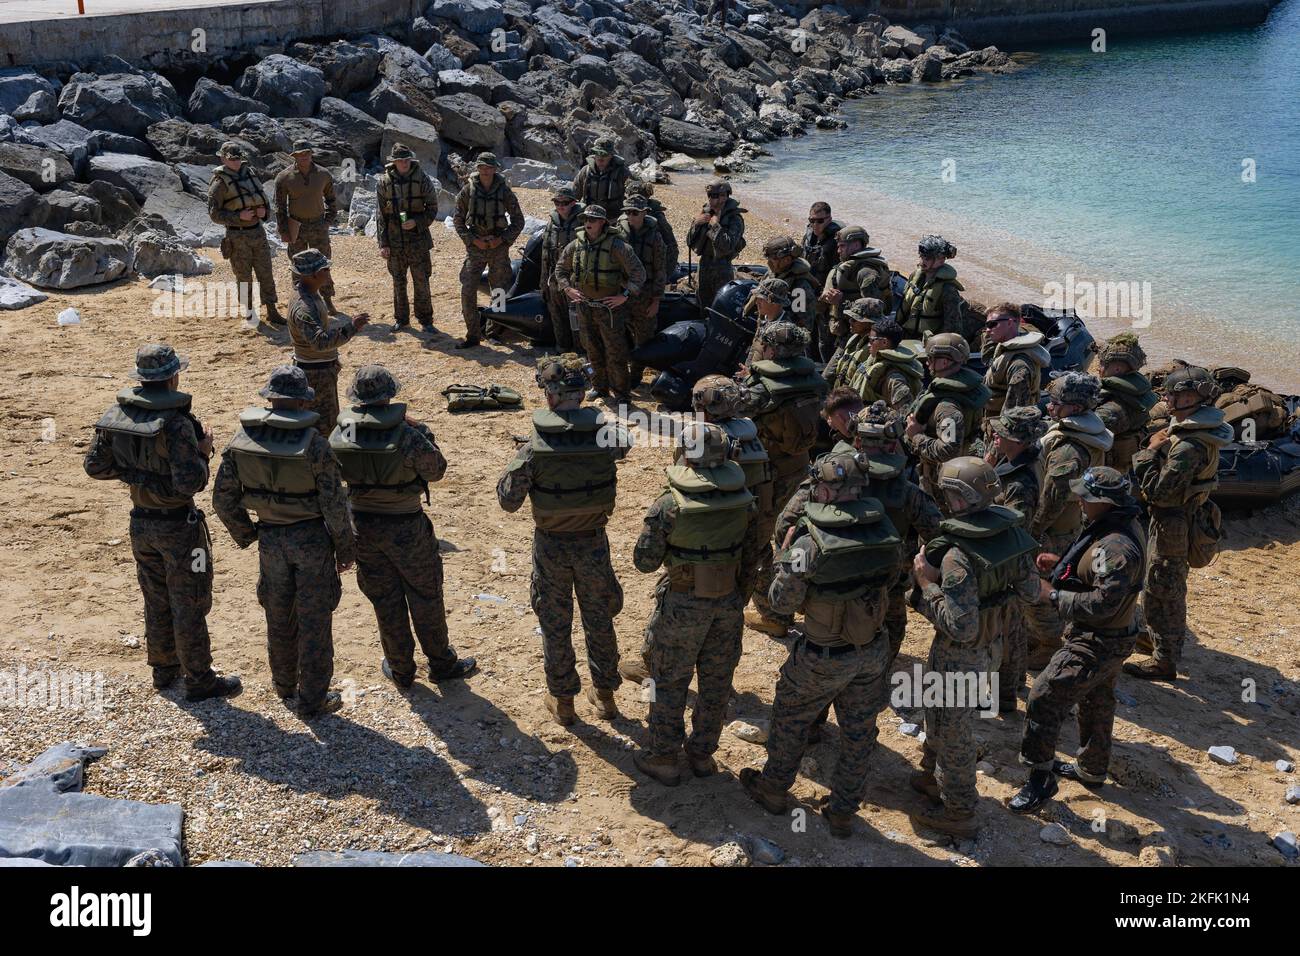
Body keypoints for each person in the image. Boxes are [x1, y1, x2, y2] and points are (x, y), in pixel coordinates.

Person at [739, 450, 903, 837]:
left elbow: (781, 603)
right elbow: (894, 580)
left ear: (826, 491)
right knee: (859, 732)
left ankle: (773, 789)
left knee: (791, 720)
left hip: (822, 656)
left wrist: (784, 556)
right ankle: (843, 811)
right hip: (872, 650)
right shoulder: (885, 531)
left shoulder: (809, 543)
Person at [84, 345, 241, 701]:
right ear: (173, 377)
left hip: (141, 525)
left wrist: (137, 476)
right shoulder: (177, 423)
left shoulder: (118, 415)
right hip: (180, 529)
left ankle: (164, 670)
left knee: (155, 598)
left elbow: (95, 466)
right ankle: (199, 679)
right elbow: (190, 483)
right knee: (190, 600)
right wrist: (203, 453)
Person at [212, 366, 356, 718]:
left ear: (270, 399)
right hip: (311, 540)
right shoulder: (316, 445)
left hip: (271, 539)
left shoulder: (243, 441)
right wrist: (345, 548)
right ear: (303, 401)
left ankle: (284, 684)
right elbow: (335, 506)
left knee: (278, 613)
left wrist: (248, 533)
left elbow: (222, 500)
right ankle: (313, 699)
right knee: (315, 619)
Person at [496, 354, 631, 725]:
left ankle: (563, 702)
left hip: (551, 545)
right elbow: (624, 443)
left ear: (551, 395)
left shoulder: (533, 449)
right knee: (599, 618)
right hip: (593, 542)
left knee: (555, 622)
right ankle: (605, 697)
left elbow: (508, 500)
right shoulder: (607, 438)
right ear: (582, 393)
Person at [908, 457, 1040, 837]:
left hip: (959, 654)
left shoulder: (956, 556)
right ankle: (931, 776)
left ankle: (960, 811)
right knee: (939, 711)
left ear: (958, 498)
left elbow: (960, 626)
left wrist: (926, 584)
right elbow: (1032, 592)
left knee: (955, 733)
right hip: (992, 647)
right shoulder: (1012, 537)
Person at [329, 365, 477, 690]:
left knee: (385, 599)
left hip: (363, 527)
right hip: (407, 527)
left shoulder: (343, 433)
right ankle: (441, 664)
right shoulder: (408, 434)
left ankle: (400, 668)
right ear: (389, 395)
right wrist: (422, 430)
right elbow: (436, 469)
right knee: (425, 595)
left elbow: (332, 476)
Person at [1009, 467, 1147, 812]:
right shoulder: (1117, 526)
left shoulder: (1115, 546)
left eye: (1086, 497)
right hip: (1114, 634)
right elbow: (1103, 576)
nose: (1079, 502)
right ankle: (1092, 768)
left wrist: (1053, 596)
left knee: (1044, 696)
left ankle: (1040, 780)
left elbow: (1102, 603)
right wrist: (1063, 565)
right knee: (1097, 699)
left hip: (1098, 640)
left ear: (1104, 502)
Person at [631, 421, 762, 786]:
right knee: (716, 682)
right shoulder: (746, 502)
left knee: (669, 679)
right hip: (728, 602)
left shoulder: (669, 504)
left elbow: (644, 561)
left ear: (685, 456)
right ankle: (702, 754)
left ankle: (663, 757)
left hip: (682, 604)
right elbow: (753, 557)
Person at [1124, 366, 1232, 681]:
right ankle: (1157, 640)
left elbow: (1160, 492)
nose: (1166, 399)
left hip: (1174, 523)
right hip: (1184, 515)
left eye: (1172, 394)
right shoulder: (1198, 431)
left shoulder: (1188, 446)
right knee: (1162, 584)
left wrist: (1147, 454)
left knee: (1162, 588)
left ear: (1189, 398)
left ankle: (1164, 661)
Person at [738, 321, 829, 636]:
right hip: (801, 468)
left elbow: (736, 408)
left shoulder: (761, 388)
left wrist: (742, 384)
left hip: (768, 473)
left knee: (759, 541)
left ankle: (773, 615)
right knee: (792, 533)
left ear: (772, 350)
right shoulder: (814, 381)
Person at [1026, 373, 1112, 667]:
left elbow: (1053, 497)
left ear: (1074, 408)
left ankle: (1048, 644)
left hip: (1055, 528)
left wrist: (1032, 531)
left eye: (1055, 403)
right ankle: (1039, 636)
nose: (1049, 407)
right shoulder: (1088, 433)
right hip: (1071, 522)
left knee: (1038, 586)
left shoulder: (1069, 449)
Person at [985, 406, 1049, 712]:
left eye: (1003, 433)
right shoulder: (1021, 461)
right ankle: (1013, 683)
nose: (996, 436)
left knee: (1006, 631)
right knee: (1015, 627)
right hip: (1015, 559)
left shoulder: (1020, 484)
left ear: (1020, 440)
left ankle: (1004, 696)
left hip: (1009, 563)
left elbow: (1014, 528)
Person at [554, 204, 647, 407]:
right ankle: (599, 387)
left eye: (593, 220)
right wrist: (568, 289)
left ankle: (622, 394)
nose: (588, 223)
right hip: (584, 306)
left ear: (603, 223)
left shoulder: (617, 246)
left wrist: (624, 295)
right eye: (585, 219)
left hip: (609, 309)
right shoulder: (576, 245)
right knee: (591, 349)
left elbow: (639, 273)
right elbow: (560, 269)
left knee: (615, 352)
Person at [285, 249, 369, 438]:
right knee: (325, 428)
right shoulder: (304, 307)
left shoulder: (308, 292)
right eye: (325, 269)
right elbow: (320, 342)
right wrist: (351, 328)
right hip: (316, 374)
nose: (329, 272)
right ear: (312, 275)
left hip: (319, 369)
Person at [904, 332, 990, 502]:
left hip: (943, 482)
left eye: (930, 358)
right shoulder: (968, 389)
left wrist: (916, 436)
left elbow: (947, 451)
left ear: (945, 362)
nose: (927, 363)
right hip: (964, 468)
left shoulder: (947, 407)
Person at [453, 151, 524, 349]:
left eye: (489, 167)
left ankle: (494, 332)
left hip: (498, 248)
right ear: (477, 168)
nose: (485, 171)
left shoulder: (504, 191)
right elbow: (458, 220)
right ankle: (473, 334)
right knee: (468, 289)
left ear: (494, 169)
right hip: (475, 248)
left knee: (499, 291)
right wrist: (472, 240)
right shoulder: (467, 191)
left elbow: (518, 220)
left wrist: (502, 240)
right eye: (482, 167)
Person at [208, 141, 280, 330]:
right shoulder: (219, 183)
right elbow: (214, 215)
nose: (236, 162)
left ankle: (272, 310)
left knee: (266, 272)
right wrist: (238, 217)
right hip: (236, 236)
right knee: (243, 276)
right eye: (231, 159)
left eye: (238, 159)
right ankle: (249, 312)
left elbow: (264, 201)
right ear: (223, 159)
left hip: (258, 232)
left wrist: (265, 213)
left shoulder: (250, 174)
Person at [376, 143, 437, 333]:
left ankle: (426, 321)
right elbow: (381, 216)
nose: (404, 163)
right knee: (398, 282)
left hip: (418, 240)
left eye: (407, 160)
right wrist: (383, 243)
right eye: (400, 160)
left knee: (422, 281)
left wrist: (417, 222)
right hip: (395, 242)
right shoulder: (384, 182)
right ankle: (401, 320)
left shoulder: (422, 179)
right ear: (394, 162)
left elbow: (432, 208)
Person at [274, 140, 338, 313]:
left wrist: (327, 221)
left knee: (323, 264)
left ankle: (327, 300)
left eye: (306, 153)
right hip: (297, 226)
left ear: (311, 153)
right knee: (298, 265)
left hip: (318, 225)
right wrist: (284, 231)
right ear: (294, 156)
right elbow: (280, 207)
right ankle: (300, 302)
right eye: (299, 154)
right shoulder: (284, 177)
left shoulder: (323, 174)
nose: (303, 157)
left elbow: (332, 200)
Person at [614, 195, 667, 387]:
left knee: (644, 337)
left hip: (645, 294)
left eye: (635, 212)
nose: (631, 216)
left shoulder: (655, 237)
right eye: (627, 212)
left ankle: (636, 375)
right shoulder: (618, 233)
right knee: (618, 335)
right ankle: (620, 374)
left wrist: (656, 300)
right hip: (622, 292)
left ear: (644, 213)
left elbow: (660, 269)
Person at [817, 226, 891, 363]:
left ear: (856, 245)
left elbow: (873, 311)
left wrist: (840, 301)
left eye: (842, 246)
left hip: (854, 335)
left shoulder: (866, 272)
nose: (838, 250)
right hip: (839, 328)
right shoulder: (849, 265)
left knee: (832, 372)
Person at [1094, 333, 1157, 473]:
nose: (1098, 368)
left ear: (1117, 369)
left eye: (1102, 364)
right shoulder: (1136, 390)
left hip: (1110, 471)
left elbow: (1090, 429)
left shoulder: (1114, 408)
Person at [981, 302, 1050, 425]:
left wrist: (1002, 431)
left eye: (992, 324)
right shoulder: (1005, 350)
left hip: (1002, 428)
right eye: (987, 325)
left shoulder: (1019, 364)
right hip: (992, 420)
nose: (988, 330)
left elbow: (1016, 413)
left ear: (1009, 323)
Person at [686, 178, 745, 316]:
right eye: (710, 196)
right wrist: (696, 224)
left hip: (722, 267)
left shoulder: (735, 218)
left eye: (715, 196)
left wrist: (715, 226)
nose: (711, 200)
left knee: (721, 307)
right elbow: (689, 242)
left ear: (724, 196)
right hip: (704, 264)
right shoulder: (706, 213)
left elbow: (728, 246)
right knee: (703, 304)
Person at [539, 185, 585, 352]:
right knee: (557, 316)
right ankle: (562, 350)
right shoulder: (552, 223)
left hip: (575, 280)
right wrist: (543, 282)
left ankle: (580, 352)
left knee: (577, 318)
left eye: (564, 203)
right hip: (554, 278)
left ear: (573, 202)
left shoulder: (583, 221)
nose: (560, 206)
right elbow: (545, 254)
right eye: (557, 203)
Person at [896, 235, 963, 339]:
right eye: (921, 256)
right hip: (905, 332)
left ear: (941, 260)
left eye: (927, 258)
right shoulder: (915, 276)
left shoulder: (948, 289)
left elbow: (953, 327)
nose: (923, 260)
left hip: (928, 340)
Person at [749, 235, 816, 332]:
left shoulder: (799, 287)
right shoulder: (773, 274)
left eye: (773, 260)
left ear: (787, 260)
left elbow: (803, 325)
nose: (769, 263)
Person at [625, 180, 678, 284]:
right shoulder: (625, 217)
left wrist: (664, 276)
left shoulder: (657, 218)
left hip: (650, 273)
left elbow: (672, 247)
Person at [571, 136, 629, 212]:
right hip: (589, 215)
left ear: (611, 156)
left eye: (604, 154)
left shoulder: (621, 172)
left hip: (613, 216)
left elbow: (633, 191)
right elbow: (574, 195)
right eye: (597, 153)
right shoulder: (585, 171)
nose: (600, 158)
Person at [802, 201, 841, 293]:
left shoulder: (836, 242)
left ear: (829, 219)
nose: (815, 225)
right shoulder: (808, 237)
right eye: (812, 220)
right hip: (806, 283)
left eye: (820, 221)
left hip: (824, 289)